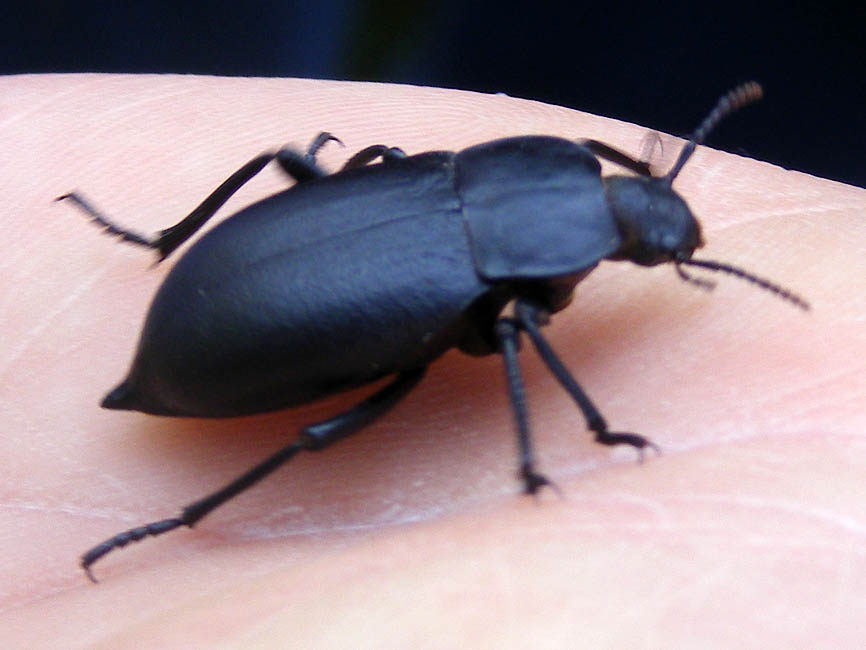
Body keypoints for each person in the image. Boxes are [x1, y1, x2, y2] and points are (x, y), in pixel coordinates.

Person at [2, 74, 862, 647]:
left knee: (302, 166)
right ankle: (182, 521)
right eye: (629, 234)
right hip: (207, 345)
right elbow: (521, 340)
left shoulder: (477, 182)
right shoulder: (515, 301)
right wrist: (569, 443)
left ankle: (162, 245)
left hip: (240, 290)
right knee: (323, 435)